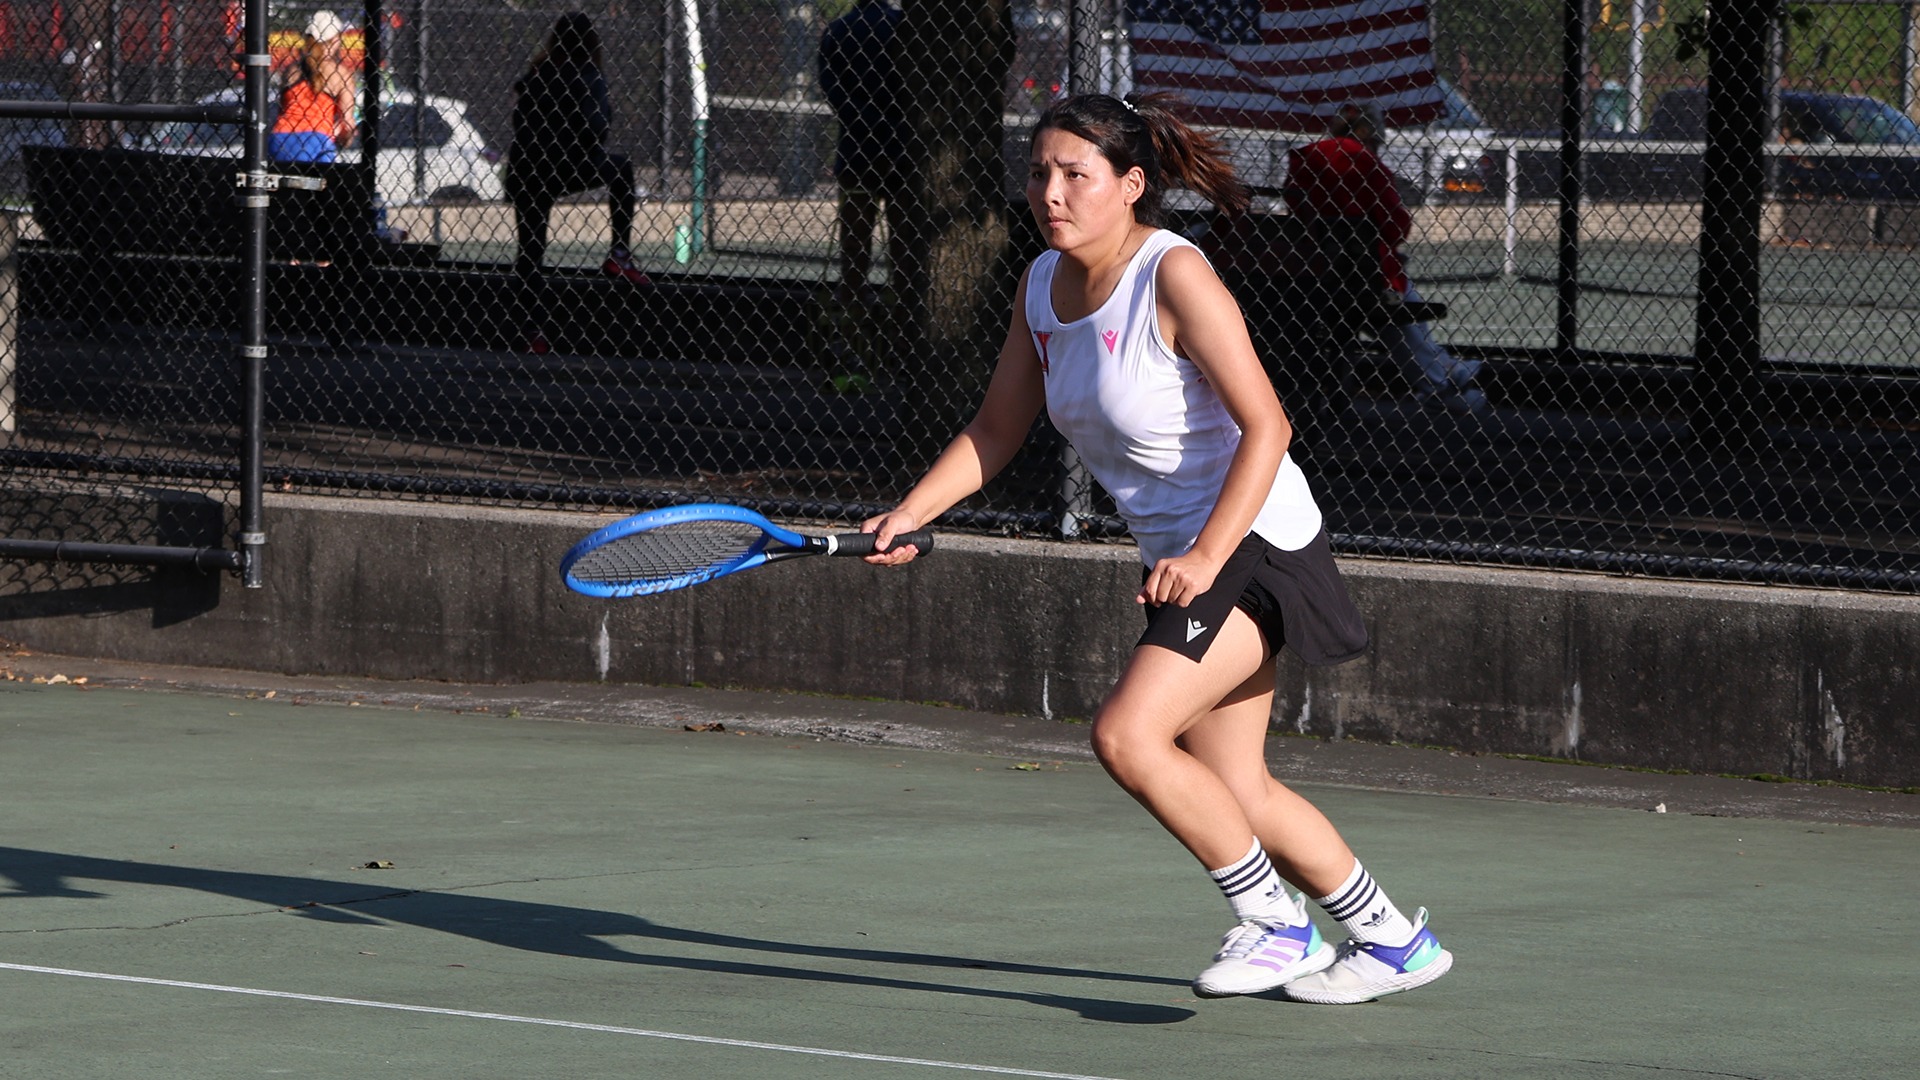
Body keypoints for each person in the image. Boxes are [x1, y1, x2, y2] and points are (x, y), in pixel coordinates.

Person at [860, 92, 1454, 1005]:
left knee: (1128, 735)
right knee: (1236, 788)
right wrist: (911, 511)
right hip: (1186, 557)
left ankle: (1275, 922)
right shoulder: (1039, 288)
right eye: (1038, 173)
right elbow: (995, 429)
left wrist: (1210, 556)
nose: (1050, 193)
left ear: (1131, 185)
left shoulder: (1174, 275)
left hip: (1251, 540)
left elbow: (1270, 426)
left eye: (1074, 175)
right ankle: (1392, 941)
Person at [1284, 103, 1486, 415]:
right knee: (1397, 303)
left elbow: (1295, 210)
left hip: (1312, 272)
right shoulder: (1367, 165)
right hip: (1367, 276)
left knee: (1399, 301)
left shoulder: (1305, 159)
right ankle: (1440, 379)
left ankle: (1446, 371)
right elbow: (1397, 227)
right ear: (1368, 134)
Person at [507, 12, 650, 354]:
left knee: (530, 251)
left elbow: (518, 121)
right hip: (567, 164)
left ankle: (532, 331)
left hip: (527, 169)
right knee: (621, 168)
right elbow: (596, 126)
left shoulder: (538, 74)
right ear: (591, 43)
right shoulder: (588, 76)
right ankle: (619, 253)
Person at [817, 0, 909, 307]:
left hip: (856, 146)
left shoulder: (838, 31)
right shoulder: (904, 27)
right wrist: (894, 124)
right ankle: (904, 296)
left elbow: (832, 88)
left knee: (855, 232)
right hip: (901, 147)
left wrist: (861, 119)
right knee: (903, 233)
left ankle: (852, 294)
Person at [267, 13, 357, 163]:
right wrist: (345, 136)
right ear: (335, 40)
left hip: (279, 139)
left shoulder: (292, 70)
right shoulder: (341, 74)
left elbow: (284, 108)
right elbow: (347, 123)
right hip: (317, 141)